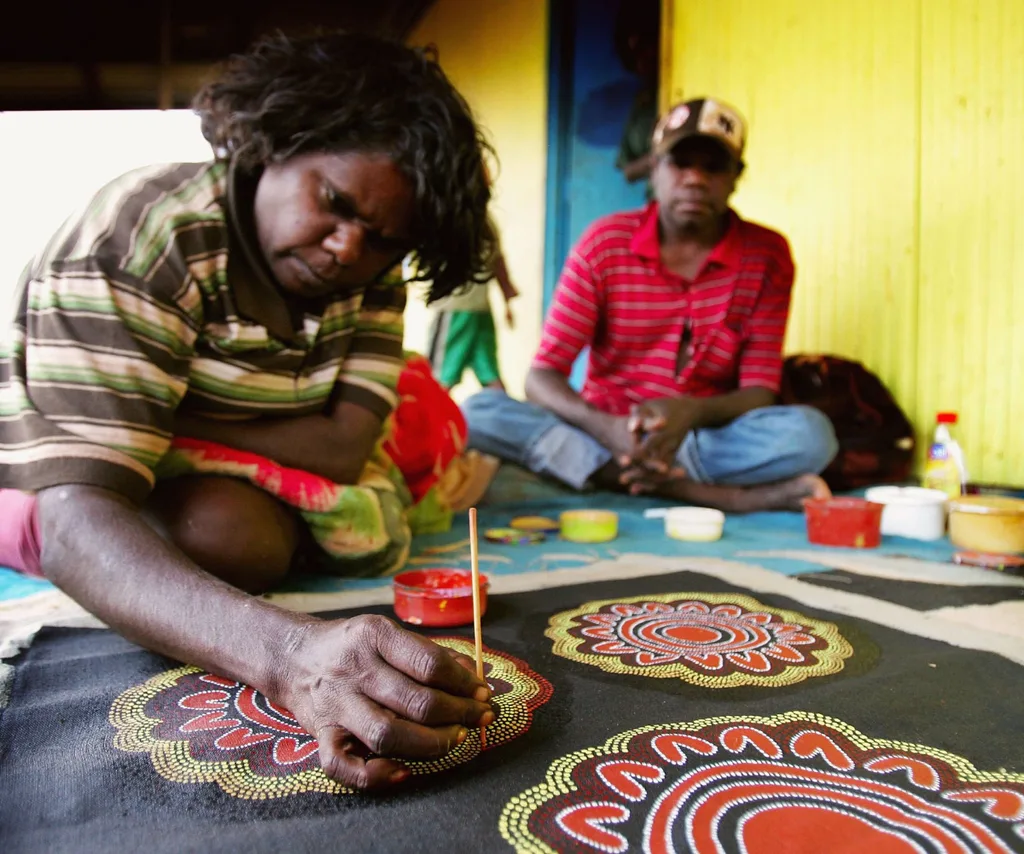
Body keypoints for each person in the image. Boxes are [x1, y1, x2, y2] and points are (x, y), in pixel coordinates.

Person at [0, 31, 498, 790]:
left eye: (382, 239)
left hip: (185, 451)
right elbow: (82, 510)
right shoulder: (141, 237)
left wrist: (174, 414)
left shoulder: (372, 271)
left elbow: (342, 445)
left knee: (244, 539)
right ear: (275, 141)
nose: (346, 249)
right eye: (333, 202)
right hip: (79, 457)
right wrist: (289, 657)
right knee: (206, 539)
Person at [463, 98, 839, 512]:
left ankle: (609, 475)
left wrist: (689, 413)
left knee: (810, 436)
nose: (695, 179)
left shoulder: (767, 255)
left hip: (702, 437)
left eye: (713, 168)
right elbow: (542, 377)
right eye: (680, 163)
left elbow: (758, 392)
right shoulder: (604, 245)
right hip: (600, 429)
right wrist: (609, 430)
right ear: (654, 170)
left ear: (736, 178)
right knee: (480, 412)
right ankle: (699, 493)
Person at [422, 214, 519, 392]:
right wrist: (507, 297)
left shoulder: (450, 215)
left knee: (437, 378)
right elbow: (498, 260)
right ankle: (505, 416)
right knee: (490, 376)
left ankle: (430, 420)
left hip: (456, 307)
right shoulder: (486, 220)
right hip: (480, 308)